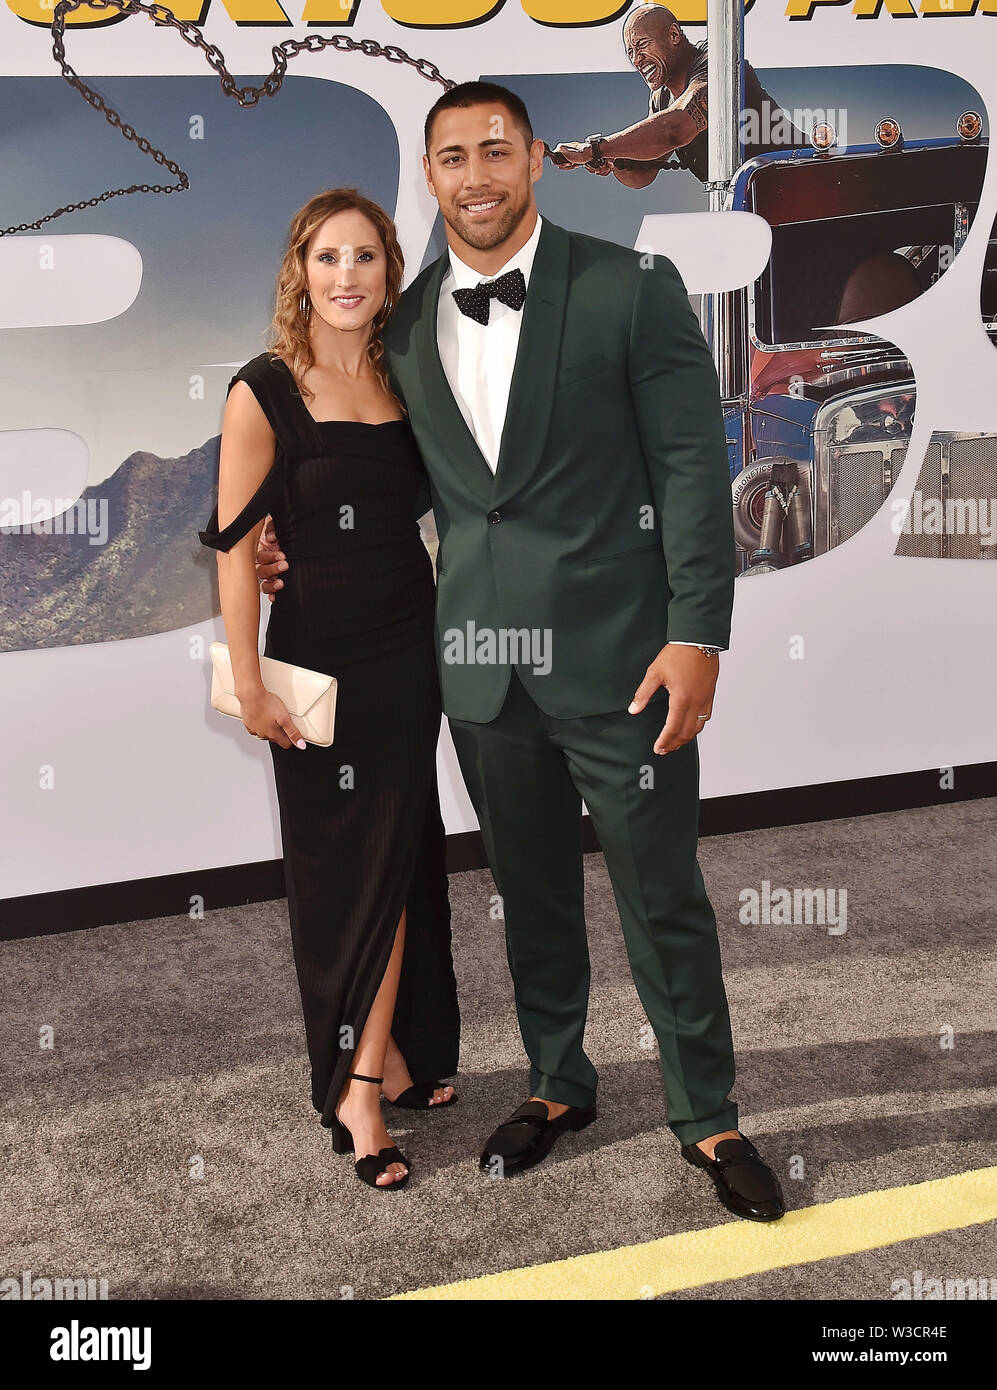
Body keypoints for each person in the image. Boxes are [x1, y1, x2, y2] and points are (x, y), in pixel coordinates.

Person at [258, 83, 786, 1221]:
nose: (475, 173)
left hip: (625, 662)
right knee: (530, 894)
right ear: (432, 179)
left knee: (663, 895)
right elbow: (360, 467)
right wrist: (273, 547)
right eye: (452, 157)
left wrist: (697, 633)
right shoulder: (400, 323)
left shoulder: (628, 287)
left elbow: (693, 468)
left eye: (495, 149)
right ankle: (558, 1082)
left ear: (534, 159)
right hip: (479, 670)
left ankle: (708, 1112)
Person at [198, 189, 460, 1191]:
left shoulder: (408, 381)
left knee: (399, 859)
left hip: (408, 654)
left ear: (388, 275)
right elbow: (233, 550)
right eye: (327, 257)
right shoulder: (261, 389)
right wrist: (251, 678)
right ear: (299, 272)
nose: (346, 276)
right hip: (313, 663)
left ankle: (383, 1062)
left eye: (365, 257)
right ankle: (359, 1083)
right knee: (345, 875)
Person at [551, 5, 805, 189]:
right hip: (757, 205)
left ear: (674, 35)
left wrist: (594, 149)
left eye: (641, 45)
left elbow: (676, 130)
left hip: (808, 184)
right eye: (630, 52)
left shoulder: (717, 62)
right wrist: (609, 158)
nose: (636, 60)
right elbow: (642, 176)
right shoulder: (661, 97)